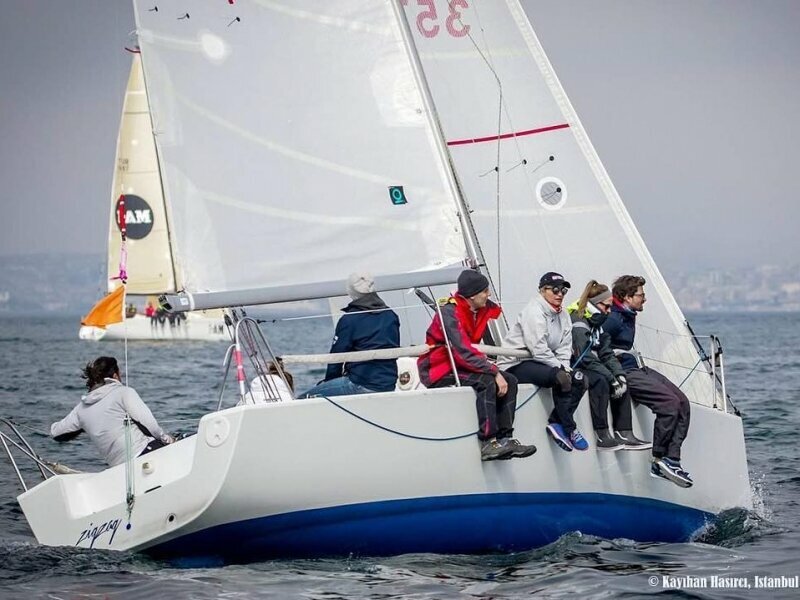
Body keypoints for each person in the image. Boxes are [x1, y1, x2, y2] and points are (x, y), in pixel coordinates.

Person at [418, 269, 536, 461]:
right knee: (486, 382)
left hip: (461, 364)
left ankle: (505, 438)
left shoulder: (479, 309)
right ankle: (489, 442)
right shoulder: (449, 312)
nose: (488, 294)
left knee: (511, 381)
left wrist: (495, 371)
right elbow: (462, 351)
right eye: (485, 291)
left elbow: (467, 352)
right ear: (472, 295)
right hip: (439, 368)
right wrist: (494, 371)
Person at [604, 275, 693, 488]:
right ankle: (658, 459)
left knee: (683, 403)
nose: (644, 299)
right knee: (669, 404)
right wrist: (613, 373)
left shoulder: (628, 314)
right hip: (624, 371)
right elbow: (597, 345)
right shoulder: (614, 319)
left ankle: (672, 459)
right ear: (627, 297)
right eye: (641, 295)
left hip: (636, 367)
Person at [498, 272, 588, 452]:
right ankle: (569, 428)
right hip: (516, 363)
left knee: (580, 379)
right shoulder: (534, 311)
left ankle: (557, 423)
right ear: (542, 290)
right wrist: (560, 368)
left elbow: (564, 347)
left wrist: (565, 366)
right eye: (555, 290)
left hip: (541, 361)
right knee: (561, 377)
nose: (560, 294)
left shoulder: (563, 315)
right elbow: (537, 348)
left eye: (563, 290)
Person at [566, 280, 650, 451]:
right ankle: (602, 434)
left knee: (622, 380)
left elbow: (606, 352)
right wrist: (611, 378)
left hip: (591, 363)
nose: (609, 311)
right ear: (594, 304)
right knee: (601, 381)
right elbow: (584, 356)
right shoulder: (578, 321)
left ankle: (624, 432)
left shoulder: (598, 322)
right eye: (606, 306)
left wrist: (619, 375)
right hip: (575, 365)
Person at [50, 356, 174, 467]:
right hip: (145, 453)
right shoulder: (124, 392)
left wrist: (85, 424)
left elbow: (56, 433)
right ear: (115, 376)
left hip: (119, 468)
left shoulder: (80, 409)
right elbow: (149, 425)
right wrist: (167, 439)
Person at [299, 272, 400, 398]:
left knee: (303, 399)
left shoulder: (349, 319)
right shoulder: (391, 315)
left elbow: (336, 358)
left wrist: (329, 381)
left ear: (351, 291)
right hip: (388, 384)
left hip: (360, 384)